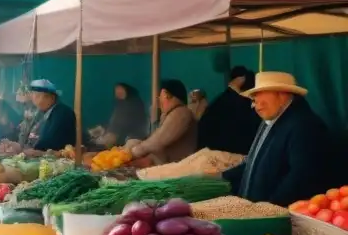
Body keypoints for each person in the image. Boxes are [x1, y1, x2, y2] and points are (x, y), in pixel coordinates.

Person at [222, 72, 331, 206]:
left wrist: (270, 207)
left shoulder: (304, 125)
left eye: (261, 97)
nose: (255, 105)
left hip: (279, 217)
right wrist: (223, 176)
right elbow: (255, 162)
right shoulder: (272, 121)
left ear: (283, 94)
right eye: (254, 99)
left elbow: (301, 176)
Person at [127, 79, 198, 165]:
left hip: (177, 169)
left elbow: (156, 142)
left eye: (160, 96)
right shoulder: (173, 113)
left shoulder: (181, 113)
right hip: (170, 166)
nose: (158, 100)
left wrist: (131, 153)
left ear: (166, 95)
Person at [198, 66, 259, 155]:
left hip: (211, 154)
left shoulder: (220, 101)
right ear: (241, 79)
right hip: (231, 155)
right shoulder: (239, 104)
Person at [26, 79, 77, 152]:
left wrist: (28, 151)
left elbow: (49, 142)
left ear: (53, 98)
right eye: (36, 96)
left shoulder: (62, 112)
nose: (40, 100)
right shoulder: (40, 112)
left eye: (45, 97)